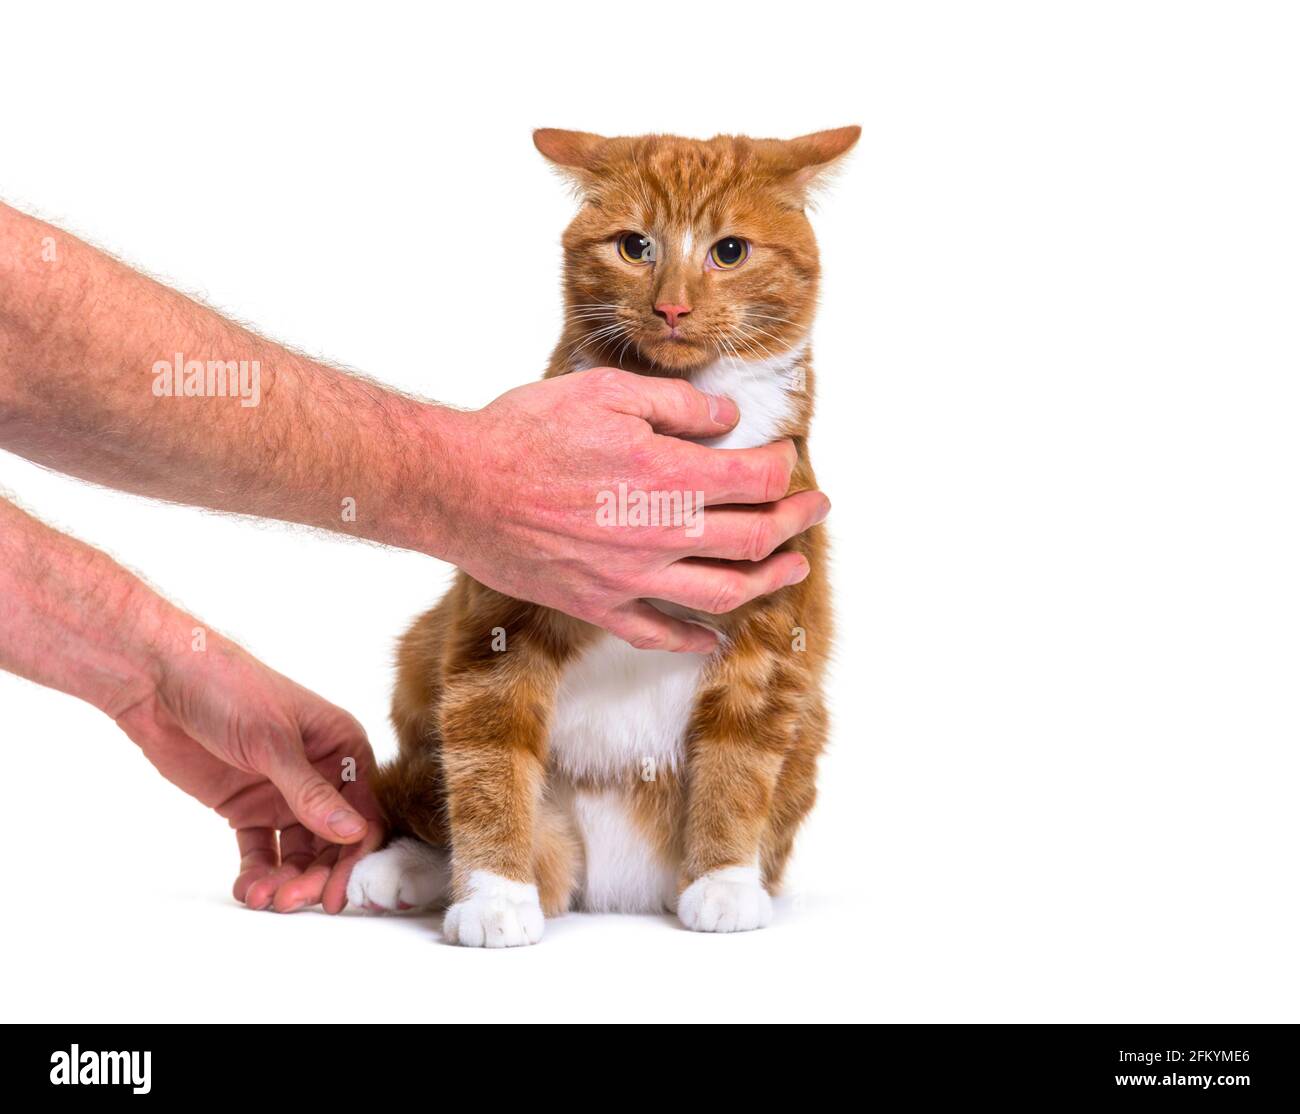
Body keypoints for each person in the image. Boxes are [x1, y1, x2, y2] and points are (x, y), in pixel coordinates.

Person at [0, 202, 830, 913]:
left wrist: (154, 669)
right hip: (543, 812)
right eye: (637, 248)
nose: (675, 301)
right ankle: (491, 859)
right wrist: (474, 488)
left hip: (683, 827)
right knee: (467, 651)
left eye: (728, 252)